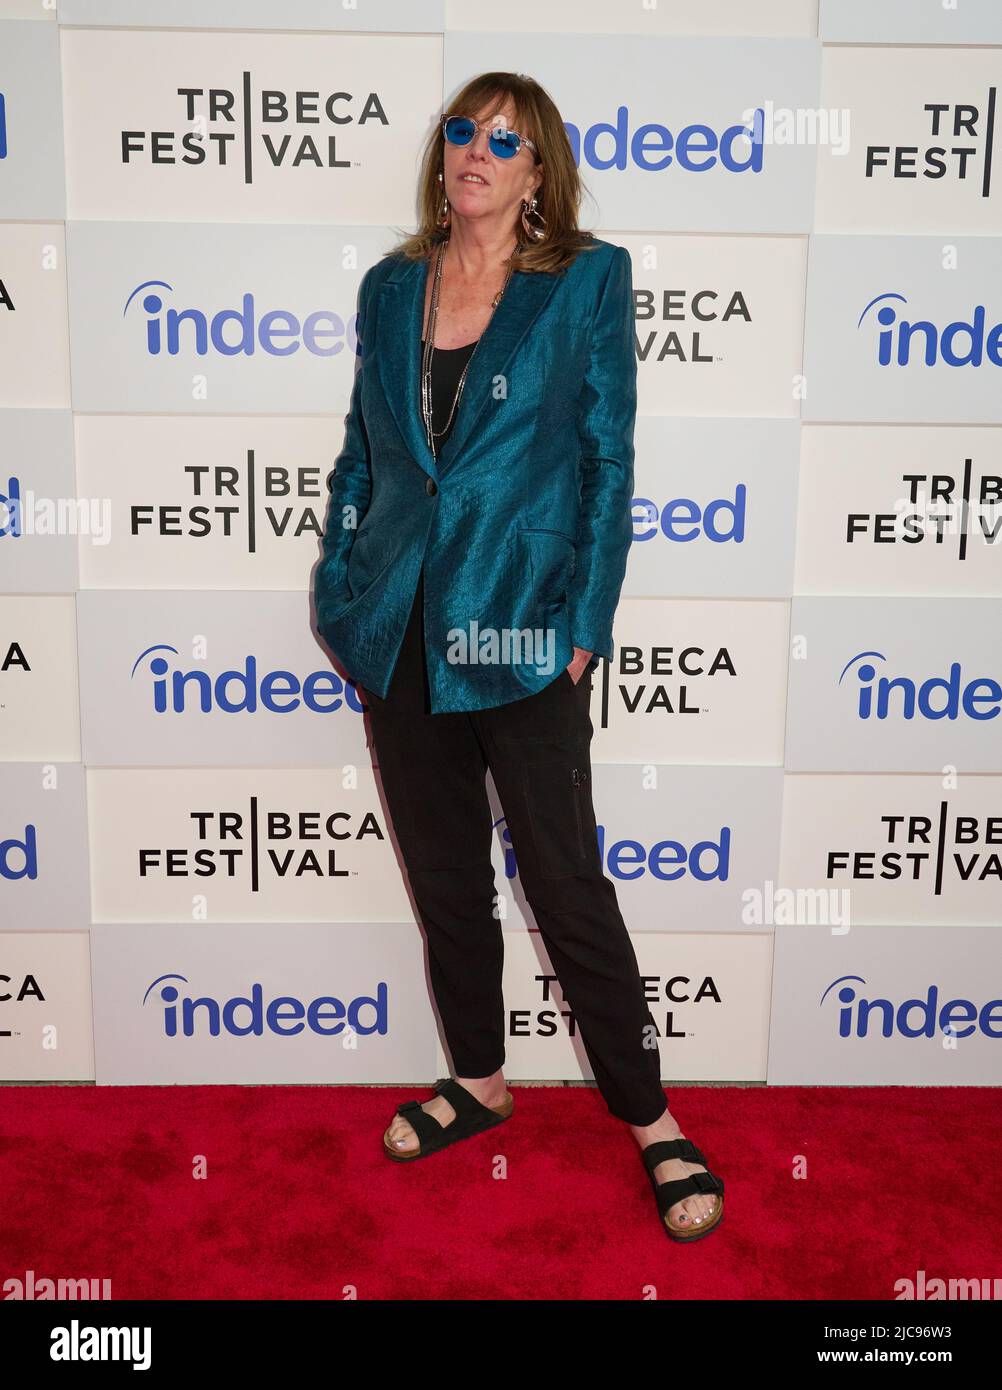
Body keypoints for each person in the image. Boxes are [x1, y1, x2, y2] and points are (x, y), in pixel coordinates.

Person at [314, 72, 724, 1242]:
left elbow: (607, 457)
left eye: (505, 138)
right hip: (398, 634)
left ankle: (651, 1121)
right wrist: (342, 590)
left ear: (538, 169)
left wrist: (586, 621)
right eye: (461, 130)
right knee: (447, 883)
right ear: (442, 155)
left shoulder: (585, 280)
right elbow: (363, 453)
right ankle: (483, 1081)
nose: (477, 152)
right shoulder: (392, 288)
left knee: (565, 886)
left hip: (523, 627)